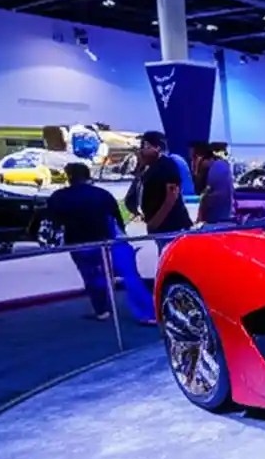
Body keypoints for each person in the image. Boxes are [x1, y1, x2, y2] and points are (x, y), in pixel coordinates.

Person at [44, 163, 154, 324]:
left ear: (70, 176)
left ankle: (102, 310)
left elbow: (52, 222)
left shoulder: (59, 196)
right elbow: (117, 219)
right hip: (109, 241)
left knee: (92, 277)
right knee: (130, 277)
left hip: (79, 243)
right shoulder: (102, 194)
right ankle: (147, 313)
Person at [138, 131, 193, 249]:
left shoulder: (167, 166)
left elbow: (172, 197)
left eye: (144, 146)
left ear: (156, 148)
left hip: (171, 227)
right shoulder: (152, 167)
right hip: (162, 227)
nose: (141, 151)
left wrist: (155, 222)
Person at [191, 143, 234, 225]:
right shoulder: (223, 165)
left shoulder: (206, 166)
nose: (192, 161)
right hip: (226, 218)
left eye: (193, 157)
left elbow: (199, 191)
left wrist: (196, 170)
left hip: (212, 221)